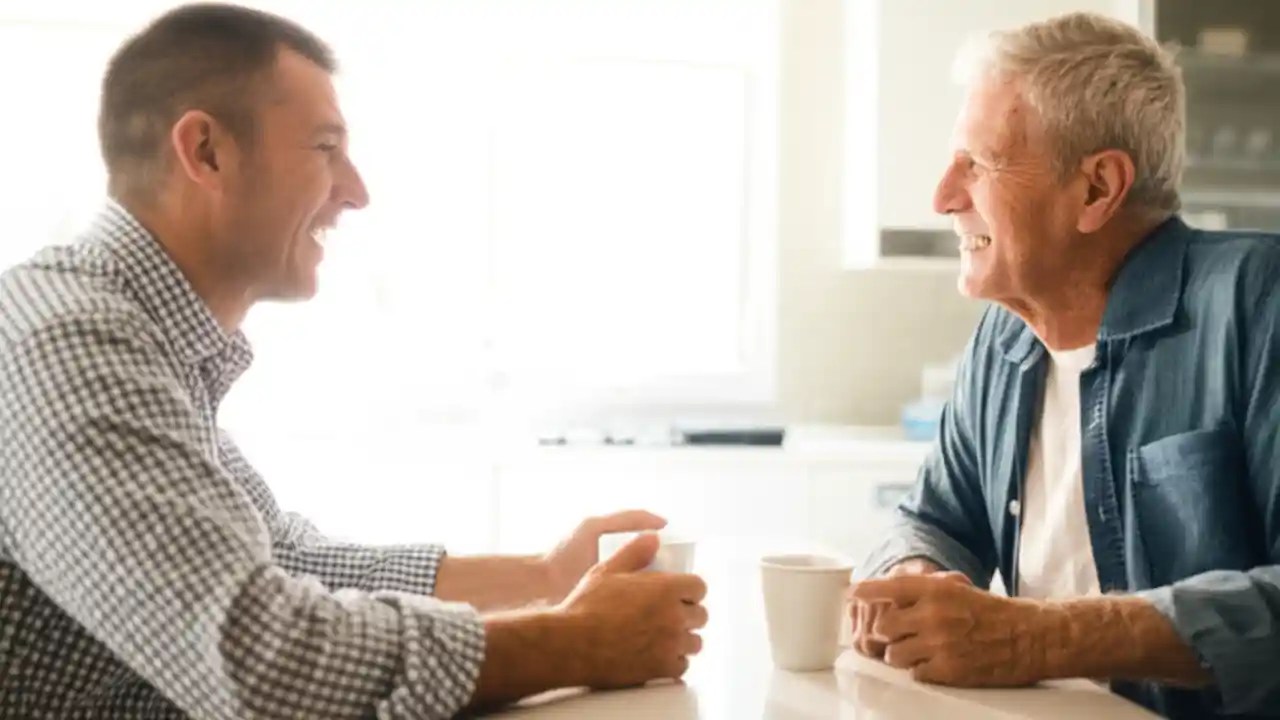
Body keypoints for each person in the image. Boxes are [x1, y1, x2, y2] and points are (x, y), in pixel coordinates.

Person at [0, 4, 706, 718]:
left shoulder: (140, 339)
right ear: (207, 151)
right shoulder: (68, 345)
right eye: (324, 148)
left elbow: (281, 560)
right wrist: (576, 641)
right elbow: (261, 658)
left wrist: (546, 576)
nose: (356, 191)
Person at [849, 12, 1279, 720]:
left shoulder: (1259, 303)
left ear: (1096, 190)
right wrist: (911, 577)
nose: (942, 198)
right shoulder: (1003, 339)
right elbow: (930, 520)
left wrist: (1044, 638)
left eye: (977, 165)